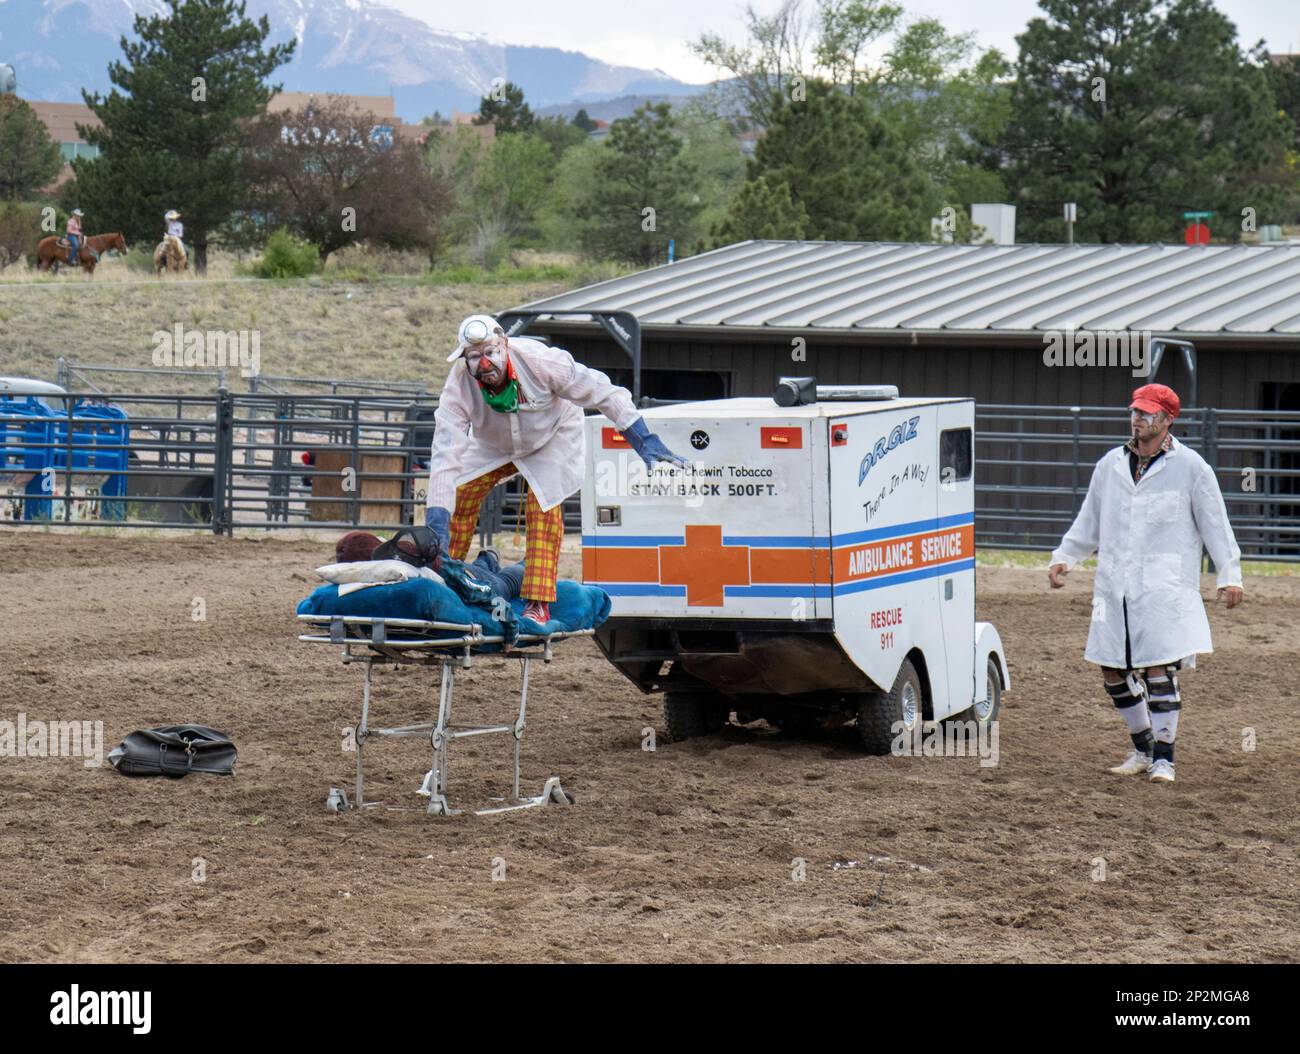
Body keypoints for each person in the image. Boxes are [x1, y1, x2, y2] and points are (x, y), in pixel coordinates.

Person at [426, 313, 687, 625]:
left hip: (552, 436)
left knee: (543, 504)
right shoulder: (458, 386)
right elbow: (445, 454)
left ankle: (537, 601)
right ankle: (443, 575)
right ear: (464, 360)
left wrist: (643, 438)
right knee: (459, 491)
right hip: (492, 442)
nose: (485, 364)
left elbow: (604, 392)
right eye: (474, 357)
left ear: (505, 346)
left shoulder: (542, 362)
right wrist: (436, 525)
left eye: (491, 353)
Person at [1047, 383, 1244, 784]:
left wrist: (1230, 573)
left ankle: (1165, 758)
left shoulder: (1191, 468)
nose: (1138, 418)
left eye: (1147, 412)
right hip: (1114, 585)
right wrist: (1066, 556)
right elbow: (1090, 518)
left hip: (1164, 587)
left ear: (1167, 420)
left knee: (1159, 669)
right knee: (1112, 668)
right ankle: (1142, 747)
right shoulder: (1110, 465)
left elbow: (1215, 524)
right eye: (1135, 411)